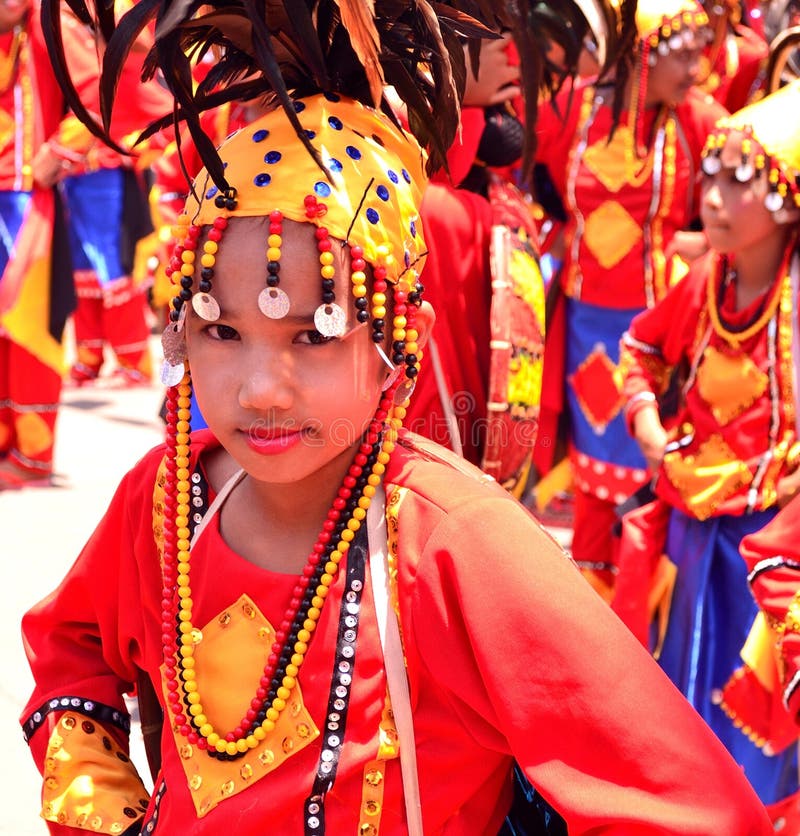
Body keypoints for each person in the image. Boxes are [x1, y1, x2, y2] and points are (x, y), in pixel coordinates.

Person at [20, 1, 774, 833]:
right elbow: (72, 646)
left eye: (315, 333)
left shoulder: (456, 541)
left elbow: (685, 804)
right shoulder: (167, 499)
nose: (260, 388)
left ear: (397, 342)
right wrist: (104, 807)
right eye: (221, 330)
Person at [613, 77, 800, 822]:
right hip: (691, 528)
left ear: (788, 201)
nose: (711, 194)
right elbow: (639, 347)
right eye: (712, 174)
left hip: (767, 554)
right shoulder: (703, 284)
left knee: (748, 723)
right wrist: (648, 428)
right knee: (679, 689)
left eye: (738, 181)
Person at [532, 0, 728, 600]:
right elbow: (522, 181)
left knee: (657, 466)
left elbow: (743, 212)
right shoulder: (572, 107)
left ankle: (653, 614)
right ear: (645, 50)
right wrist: (559, 239)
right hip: (588, 325)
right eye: (685, 51)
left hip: (662, 329)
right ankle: (594, 613)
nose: (700, 64)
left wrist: (681, 245)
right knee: (593, 476)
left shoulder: (695, 119)